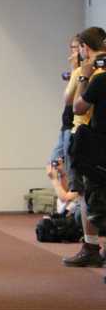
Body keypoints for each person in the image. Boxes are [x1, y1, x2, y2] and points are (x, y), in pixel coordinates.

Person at [63, 27, 106, 267]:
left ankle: (91, 247)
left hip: (91, 141)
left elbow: (75, 106)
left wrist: (81, 76)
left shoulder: (92, 75)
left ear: (85, 48)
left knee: (88, 195)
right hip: (95, 140)